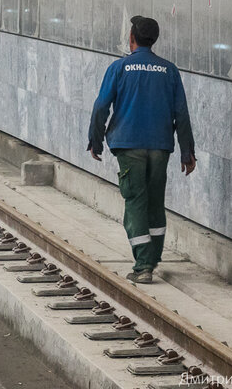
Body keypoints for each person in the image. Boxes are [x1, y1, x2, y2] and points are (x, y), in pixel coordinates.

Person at [87, 15, 196, 284]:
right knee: (155, 201)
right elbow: (181, 113)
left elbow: (101, 106)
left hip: (129, 145)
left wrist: (96, 139)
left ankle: (143, 265)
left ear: (132, 38)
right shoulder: (169, 70)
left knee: (135, 201)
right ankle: (153, 258)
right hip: (160, 146)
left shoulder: (120, 68)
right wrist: (187, 152)